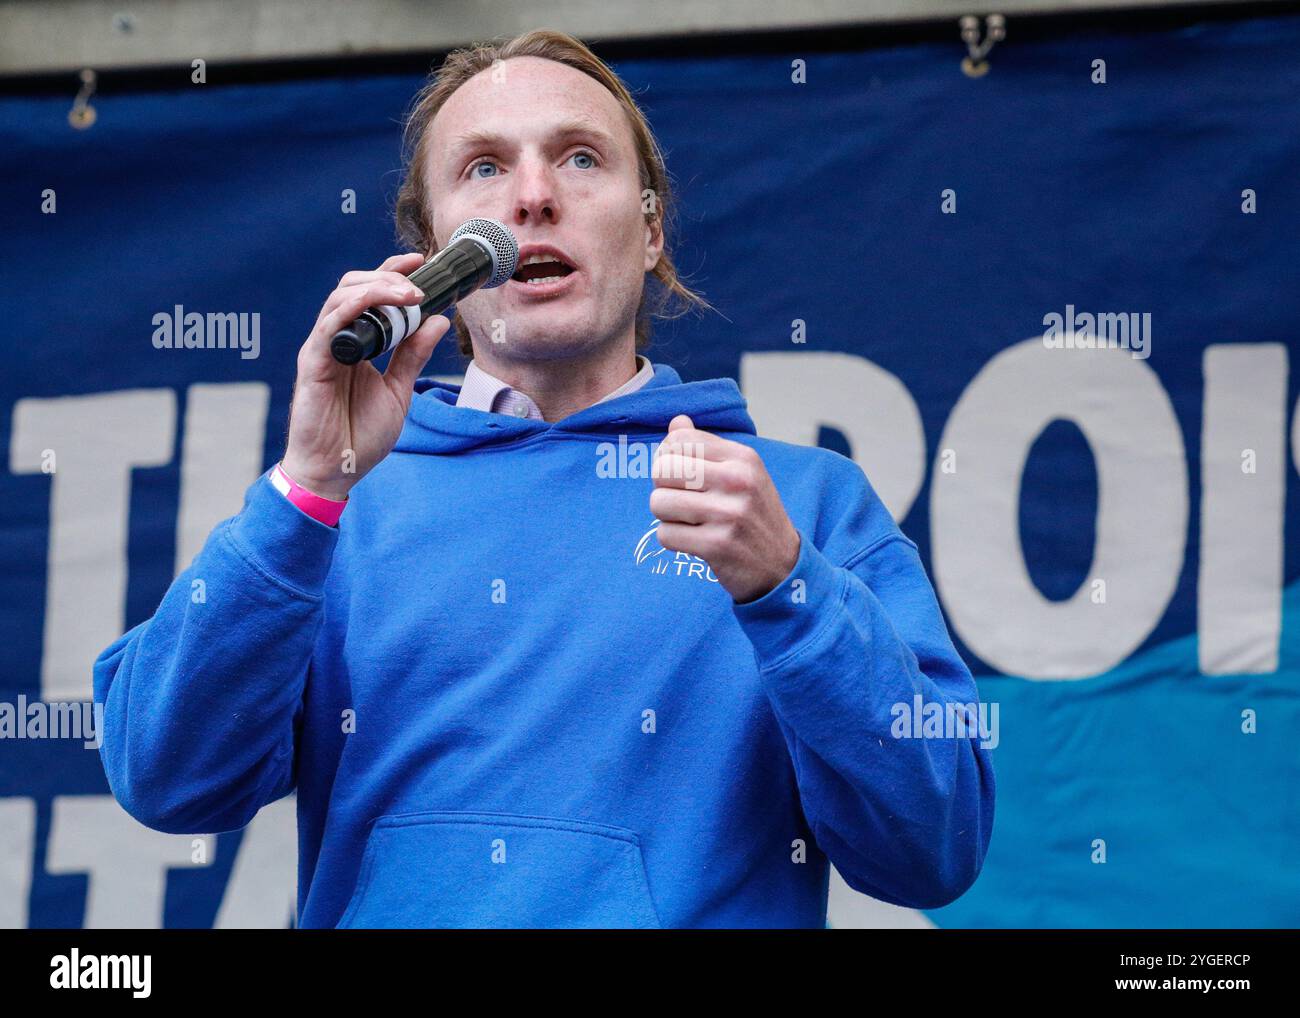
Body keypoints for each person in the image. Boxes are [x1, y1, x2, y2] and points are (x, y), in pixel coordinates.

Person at [93, 29, 995, 928]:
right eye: (484, 169)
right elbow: (163, 777)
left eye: (579, 157)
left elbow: (935, 845)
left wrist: (787, 591)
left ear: (648, 231)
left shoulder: (798, 504)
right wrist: (306, 490)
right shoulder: (332, 512)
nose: (531, 197)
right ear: (432, 252)